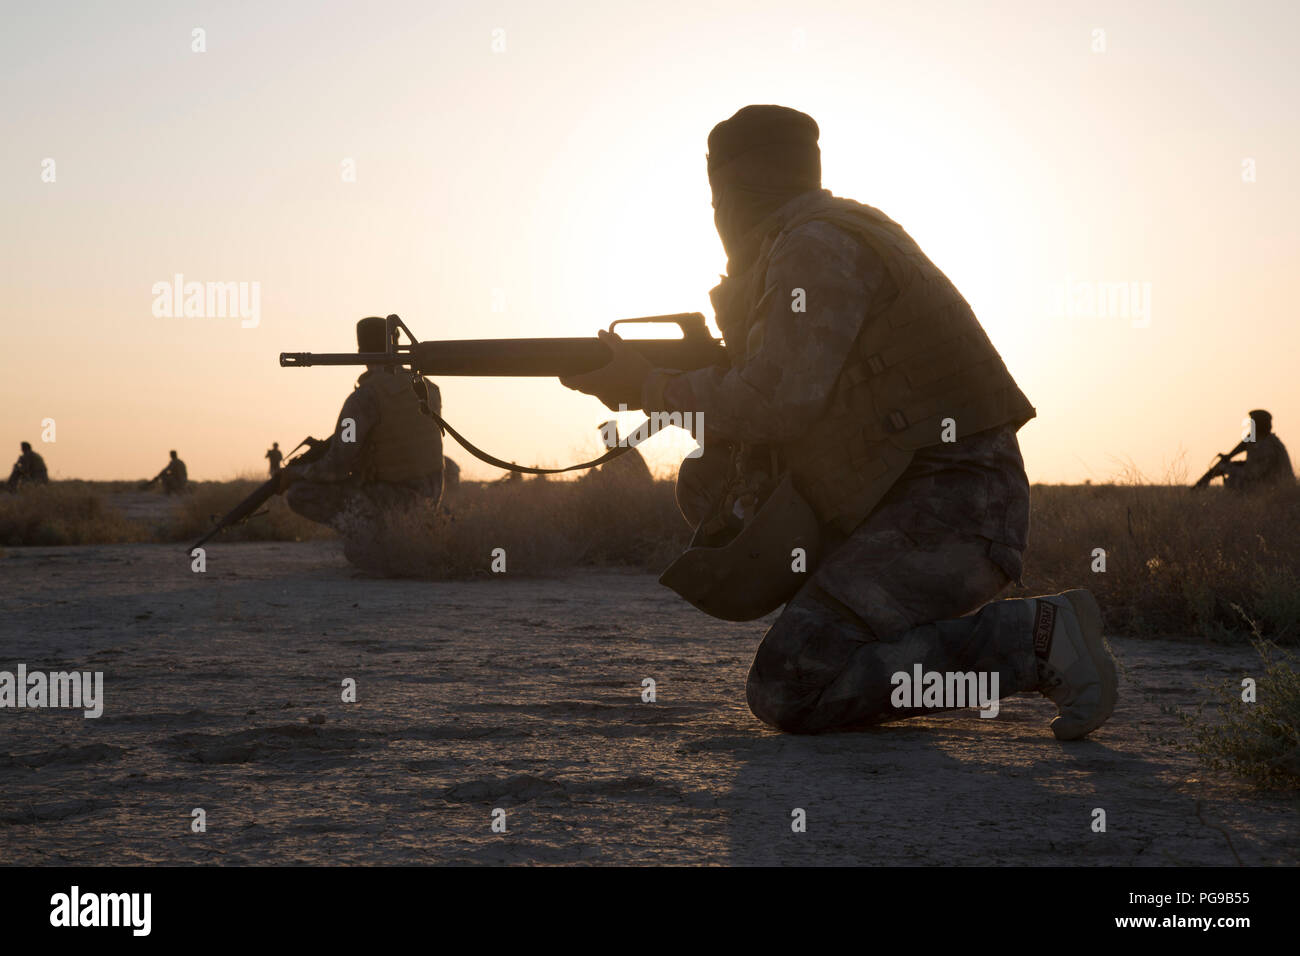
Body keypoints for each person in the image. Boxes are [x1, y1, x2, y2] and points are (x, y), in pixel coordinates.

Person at [561, 105, 1117, 739]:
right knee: (707, 479)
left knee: (794, 683)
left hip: (954, 512)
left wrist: (651, 386)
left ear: (732, 193)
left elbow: (777, 402)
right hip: (918, 504)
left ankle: (1035, 641)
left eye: (717, 200)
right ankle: (897, 627)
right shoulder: (826, 237)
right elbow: (777, 416)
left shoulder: (815, 247)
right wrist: (655, 392)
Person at [279, 317, 444, 561]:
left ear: (360, 352)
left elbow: (336, 467)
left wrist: (296, 473)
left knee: (300, 493)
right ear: (397, 344)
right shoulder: (428, 388)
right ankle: (413, 533)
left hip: (393, 501)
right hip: (431, 499)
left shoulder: (365, 398)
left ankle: (373, 542)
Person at [1203, 410, 1293, 491]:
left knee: (1234, 480)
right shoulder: (1267, 442)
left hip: (1274, 490)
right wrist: (1233, 462)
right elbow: (1255, 464)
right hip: (1273, 487)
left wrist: (1226, 468)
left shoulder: (1267, 446)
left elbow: (1253, 473)